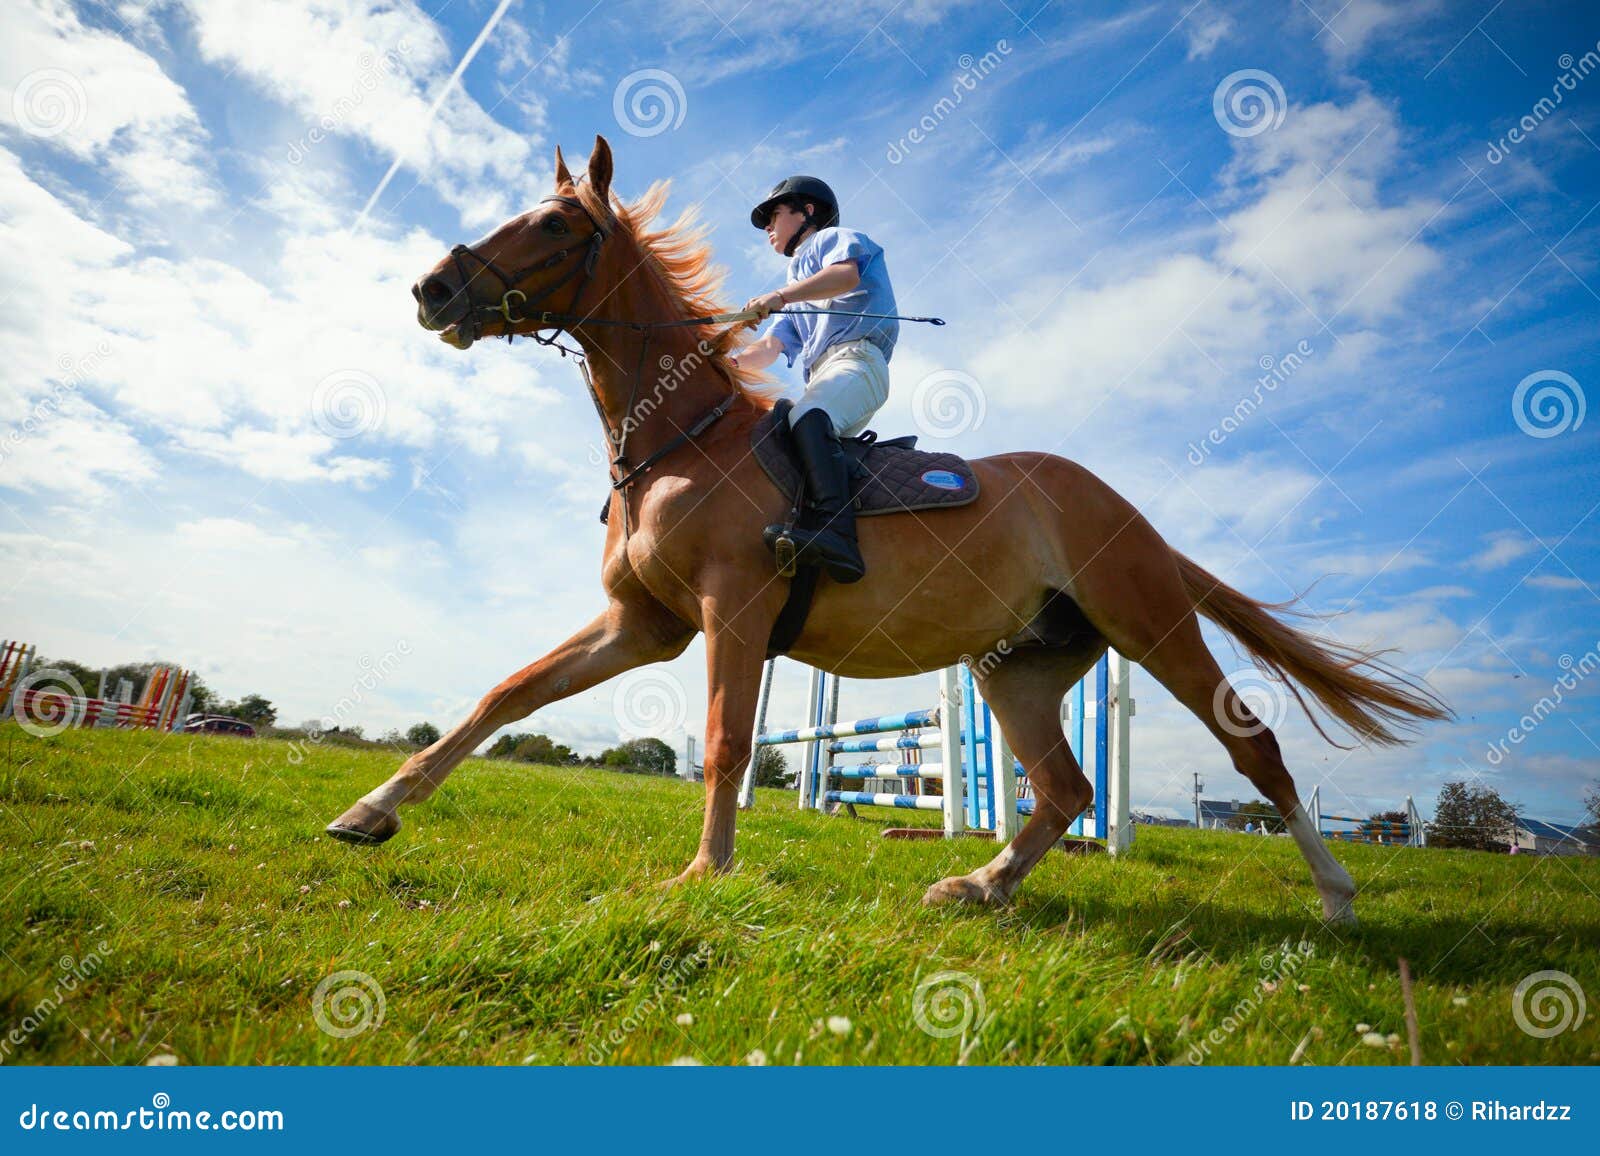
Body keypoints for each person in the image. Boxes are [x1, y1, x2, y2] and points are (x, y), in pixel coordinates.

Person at [730, 176, 899, 584]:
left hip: (858, 361)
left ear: (807, 211)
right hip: (825, 374)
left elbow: (846, 276)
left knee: (808, 414)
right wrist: (721, 360)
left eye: (774, 215)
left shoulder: (832, 240)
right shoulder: (795, 291)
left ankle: (839, 536)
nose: (768, 228)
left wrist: (779, 297)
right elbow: (768, 350)